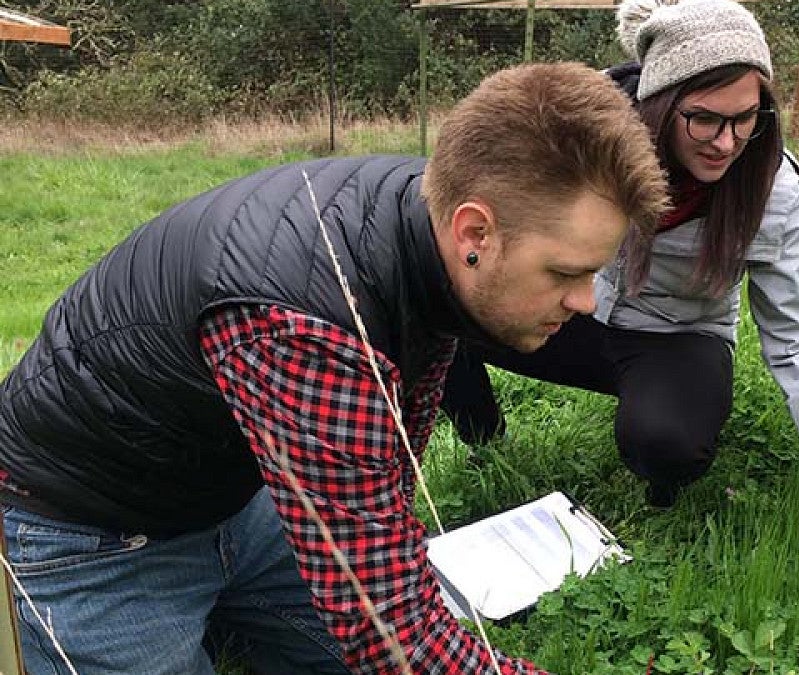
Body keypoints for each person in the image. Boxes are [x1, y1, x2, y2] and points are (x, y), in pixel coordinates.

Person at [0, 62, 667, 675]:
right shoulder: (309, 325)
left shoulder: (430, 208)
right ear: (475, 234)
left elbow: (387, 531)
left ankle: (225, 608)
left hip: (238, 499)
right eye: (566, 272)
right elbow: (391, 630)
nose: (585, 303)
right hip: (86, 528)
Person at [440, 0, 799, 565]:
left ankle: (661, 480)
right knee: (447, 306)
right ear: (661, 106)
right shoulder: (585, 142)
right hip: (578, 314)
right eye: (706, 119)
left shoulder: (771, 192)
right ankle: (486, 445)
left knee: (667, 439)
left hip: (675, 336)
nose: (727, 141)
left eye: (746, 118)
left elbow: (798, 345)